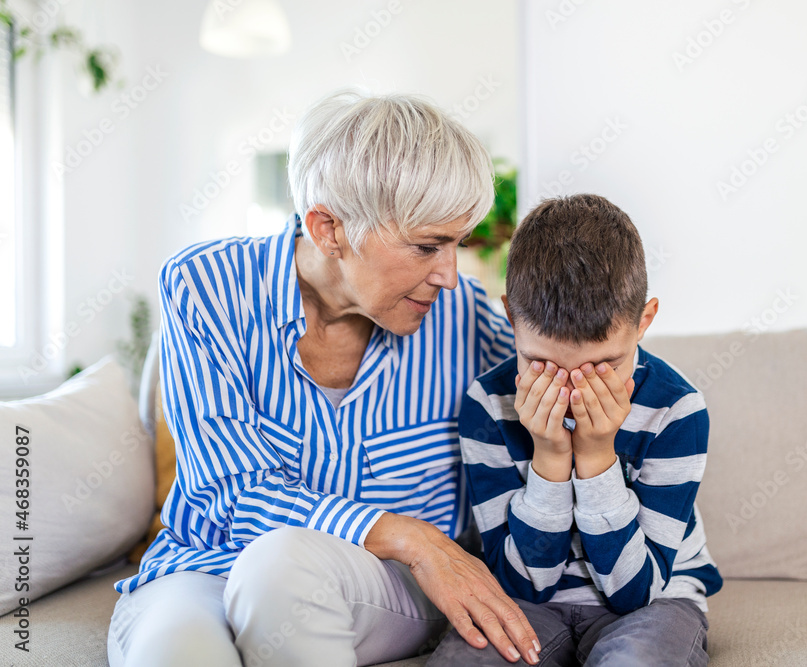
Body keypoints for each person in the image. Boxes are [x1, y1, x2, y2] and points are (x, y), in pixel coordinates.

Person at [107, 91, 543, 667]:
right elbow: (226, 493)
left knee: (281, 567)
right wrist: (414, 536)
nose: (448, 274)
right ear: (329, 228)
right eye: (427, 246)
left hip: (382, 586)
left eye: (458, 243)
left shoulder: (463, 315)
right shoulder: (205, 286)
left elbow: (582, 373)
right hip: (206, 568)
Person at [430, 194, 723, 666]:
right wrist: (548, 458)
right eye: (541, 364)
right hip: (529, 603)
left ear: (643, 321)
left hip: (656, 601)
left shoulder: (677, 410)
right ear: (510, 316)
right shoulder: (489, 405)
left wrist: (595, 458)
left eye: (604, 365)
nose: (571, 391)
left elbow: (635, 592)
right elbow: (523, 585)